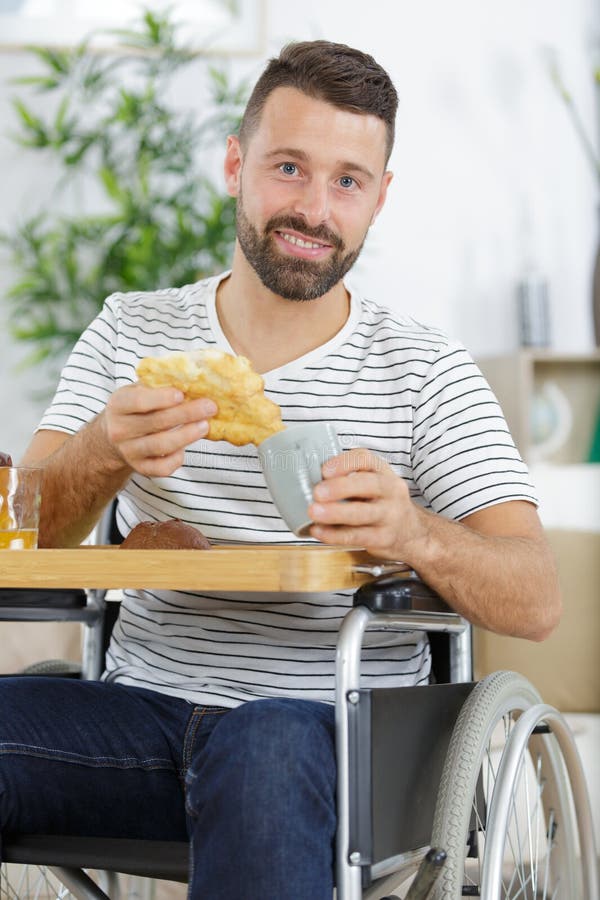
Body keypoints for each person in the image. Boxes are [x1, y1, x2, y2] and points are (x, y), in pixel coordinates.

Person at [1, 40, 561, 900]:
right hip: (140, 723)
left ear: (379, 198)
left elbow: (537, 597)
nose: (314, 208)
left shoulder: (426, 369)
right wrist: (104, 447)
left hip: (335, 737)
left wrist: (415, 533)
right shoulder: (131, 332)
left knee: (263, 745)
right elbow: (26, 531)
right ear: (236, 164)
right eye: (289, 167)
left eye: (348, 181)